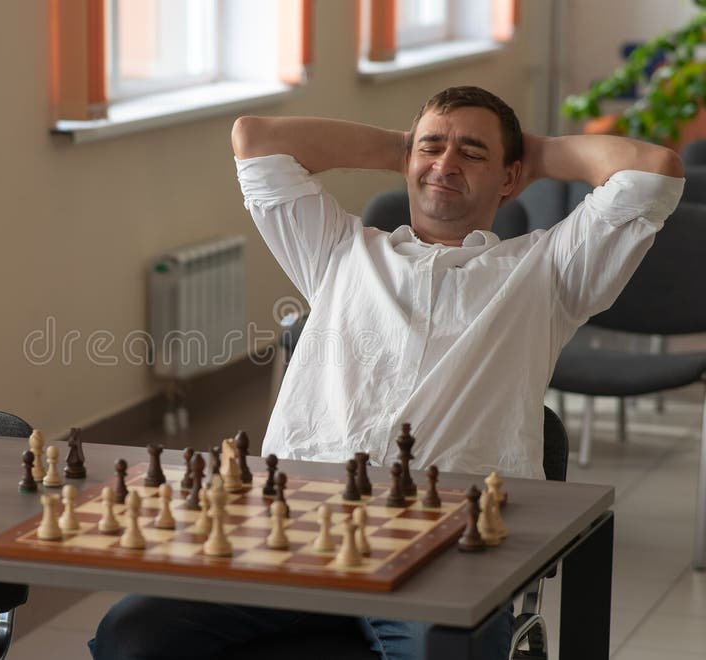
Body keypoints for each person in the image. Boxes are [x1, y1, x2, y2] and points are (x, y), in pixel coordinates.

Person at [88, 86, 684, 660]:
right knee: (132, 633)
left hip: (444, 538)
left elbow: (653, 169)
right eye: (432, 147)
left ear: (509, 178)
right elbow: (256, 137)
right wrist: (410, 149)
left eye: (473, 153)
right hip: (295, 525)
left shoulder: (548, 271)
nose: (446, 163)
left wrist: (540, 155)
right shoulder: (340, 249)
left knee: (444, 651)